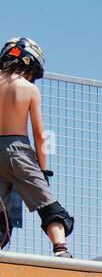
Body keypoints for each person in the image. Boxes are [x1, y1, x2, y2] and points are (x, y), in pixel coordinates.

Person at [0, 37, 74, 257]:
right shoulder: (29, 88)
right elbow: (40, 135)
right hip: (18, 151)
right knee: (48, 205)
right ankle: (61, 250)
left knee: (0, 211)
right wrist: (43, 170)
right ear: (30, 64)